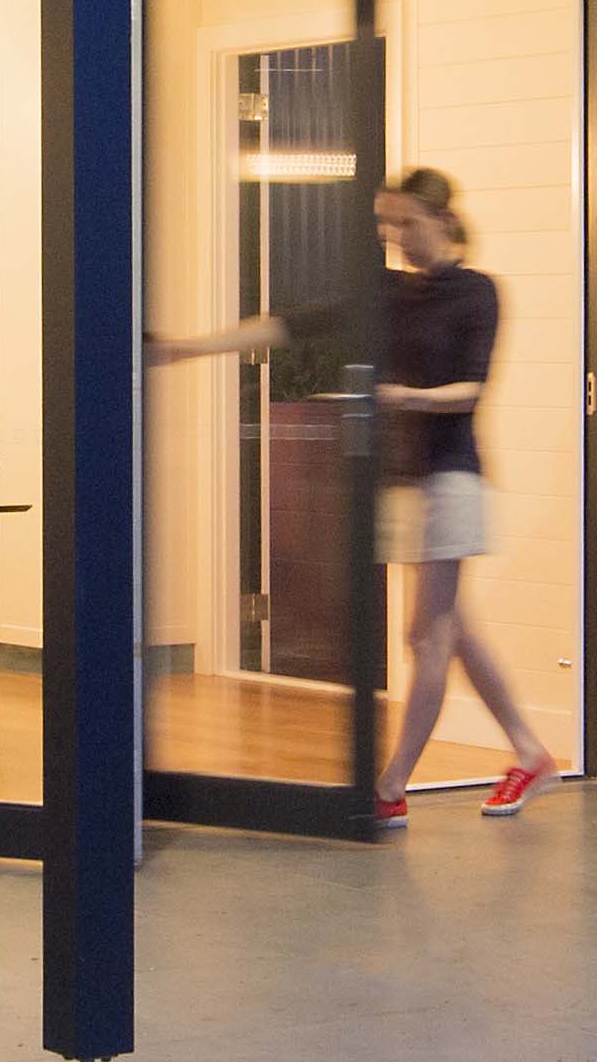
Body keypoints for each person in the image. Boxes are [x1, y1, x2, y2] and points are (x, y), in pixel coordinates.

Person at [152, 163, 554, 823]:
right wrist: (189, 349)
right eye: (386, 223)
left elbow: (472, 391)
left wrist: (403, 396)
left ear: (444, 221)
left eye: (407, 223)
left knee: (426, 635)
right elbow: (290, 325)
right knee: (450, 626)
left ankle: (391, 790)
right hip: (407, 481)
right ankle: (531, 753)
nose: (395, 235)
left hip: (453, 478)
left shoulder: (479, 293)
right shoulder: (387, 292)